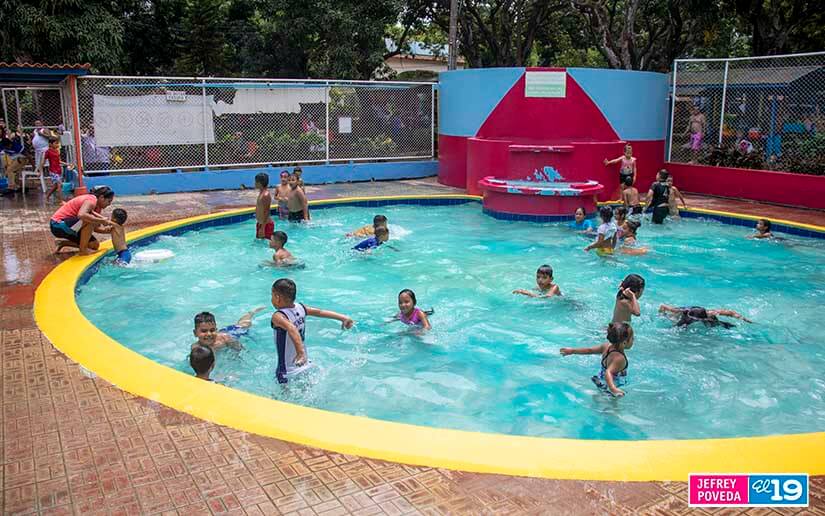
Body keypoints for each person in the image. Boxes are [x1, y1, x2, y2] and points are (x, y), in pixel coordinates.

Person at [270, 278, 354, 383]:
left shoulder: (278, 316)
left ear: (277, 297)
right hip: (305, 364)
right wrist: (343, 318)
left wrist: (300, 353)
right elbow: (319, 312)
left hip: (288, 371)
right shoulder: (300, 308)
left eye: (272, 295)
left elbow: (292, 329)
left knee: (282, 393)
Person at [560, 323, 634, 397]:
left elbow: (589, 350)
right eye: (632, 338)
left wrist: (572, 351)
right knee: (614, 403)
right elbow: (608, 372)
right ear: (624, 342)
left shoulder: (606, 346)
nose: (633, 340)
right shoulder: (619, 358)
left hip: (599, 380)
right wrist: (613, 388)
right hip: (610, 387)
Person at [50, 185, 115, 255]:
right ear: (102, 197)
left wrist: (110, 231)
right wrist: (101, 220)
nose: (109, 204)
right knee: (90, 219)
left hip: (71, 227)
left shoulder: (98, 208)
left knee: (94, 245)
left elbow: (96, 228)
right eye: (109, 201)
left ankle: (62, 243)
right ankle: (83, 250)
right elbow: (81, 215)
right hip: (57, 225)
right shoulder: (91, 200)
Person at [191, 308, 265, 352]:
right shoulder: (196, 348)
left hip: (232, 333)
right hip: (225, 332)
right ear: (195, 333)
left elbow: (239, 349)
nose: (209, 334)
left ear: (216, 330)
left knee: (244, 325)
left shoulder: (224, 338)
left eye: (212, 330)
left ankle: (250, 313)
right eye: (204, 331)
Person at [658, 305, 753, 329]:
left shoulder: (709, 313)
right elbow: (662, 306)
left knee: (716, 323)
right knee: (676, 328)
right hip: (686, 313)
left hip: (698, 312)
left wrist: (745, 319)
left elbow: (731, 313)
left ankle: (729, 326)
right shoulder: (679, 312)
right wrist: (661, 315)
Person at [254, 172, 273, 239]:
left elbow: (267, 212)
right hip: (261, 223)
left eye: (255, 182)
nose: (254, 183)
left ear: (259, 183)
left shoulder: (265, 195)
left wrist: (263, 228)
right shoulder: (261, 193)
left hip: (266, 225)